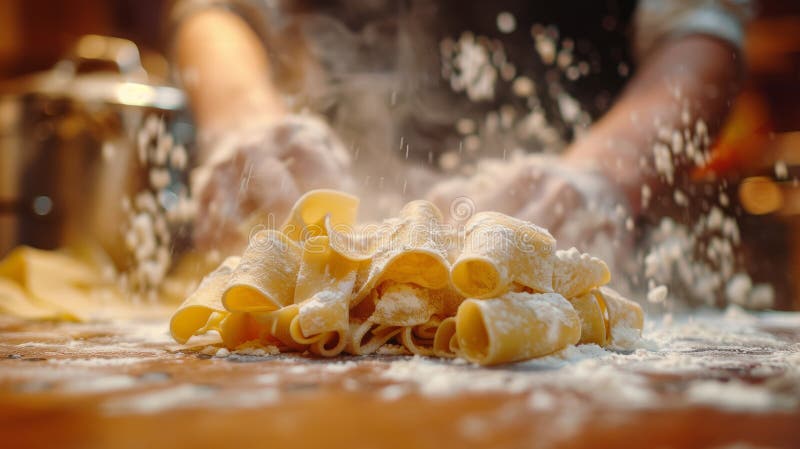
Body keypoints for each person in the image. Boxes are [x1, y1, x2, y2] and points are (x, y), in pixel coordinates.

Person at [171, 0, 753, 265]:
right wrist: (244, 121)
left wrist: (604, 175)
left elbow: (702, 29)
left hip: (583, 238)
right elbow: (215, 9)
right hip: (344, 215)